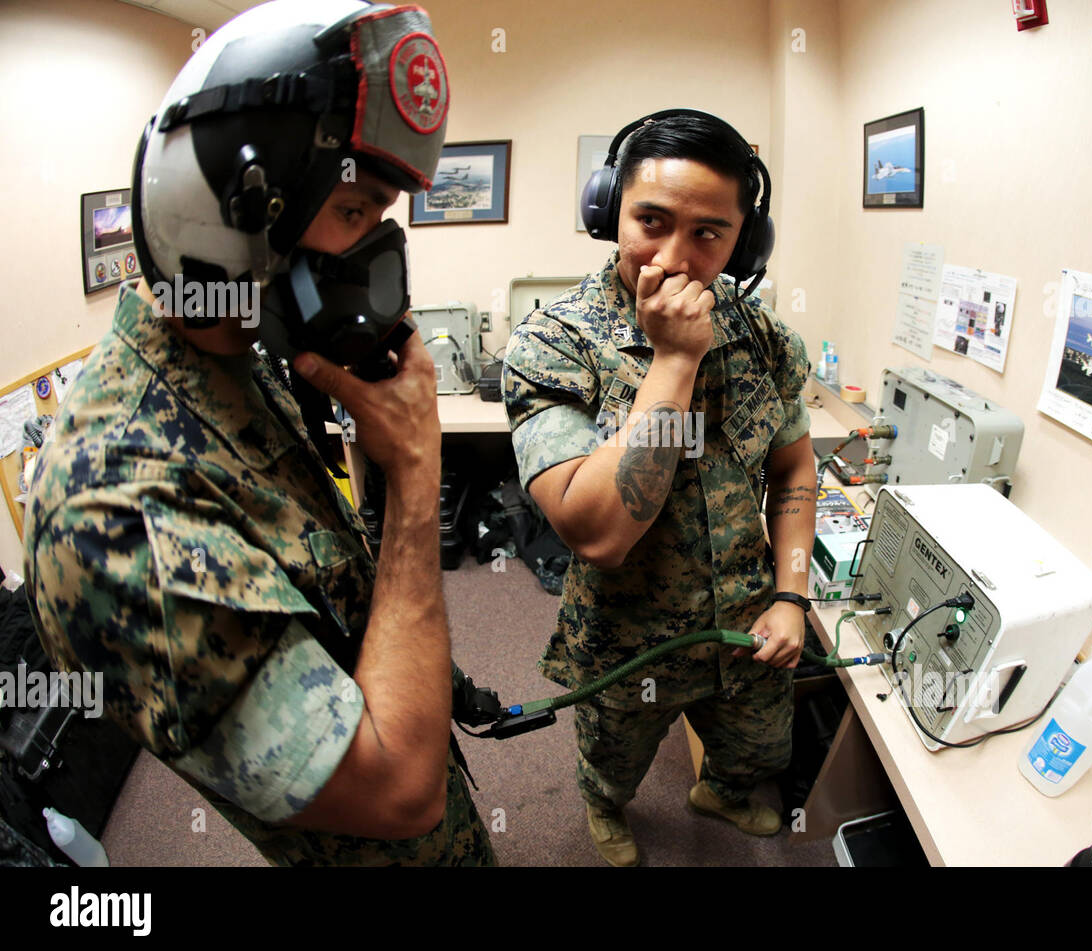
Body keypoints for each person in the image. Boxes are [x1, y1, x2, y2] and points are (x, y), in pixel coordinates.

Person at [23, 0, 494, 866]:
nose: (376, 253)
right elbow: (397, 786)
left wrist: (379, 434)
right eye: (355, 211)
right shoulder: (115, 510)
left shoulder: (238, 350)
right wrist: (422, 470)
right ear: (235, 213)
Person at [502, 110, 816, 866]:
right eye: (651, 221)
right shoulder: (555, 340)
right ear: (609, 211)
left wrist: (791, 594)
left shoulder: (766, 335)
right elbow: (597, 534)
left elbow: (794, 467)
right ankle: (604, 809)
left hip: (749, 632)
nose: (674, 257)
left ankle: (721, 792)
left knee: (758, 751)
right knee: (613, 763)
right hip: (627, 641)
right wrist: (672, 363)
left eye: (709, 233)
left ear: (746, 241)